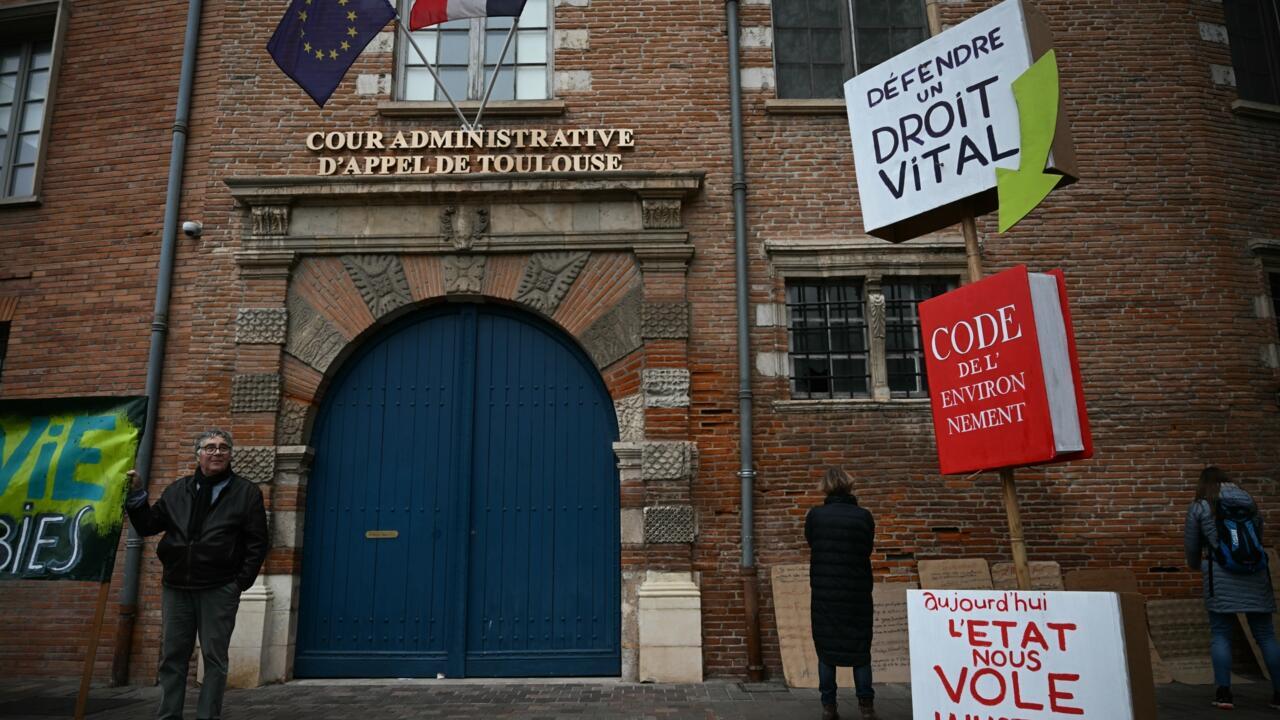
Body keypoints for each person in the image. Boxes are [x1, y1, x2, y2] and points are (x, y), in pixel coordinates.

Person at [126, 429, 269, 720]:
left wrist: (240, 583)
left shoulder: (246, 493)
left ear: (230, 455)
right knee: (172, 656)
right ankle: (169, 715)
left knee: (214, 659)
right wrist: (137, 494)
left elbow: (258, 543)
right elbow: (148, 525)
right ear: (198, 455)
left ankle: (207, 715)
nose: (217, 452)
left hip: (219, 587)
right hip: (176, 585)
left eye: (223, 447)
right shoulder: (177, 490)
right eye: (210, 447)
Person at [1184, 465, 1280, 711]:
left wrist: (1196, 564)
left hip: (1220, 574)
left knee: (1221, 634)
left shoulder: (1201, 505)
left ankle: (1224, 694)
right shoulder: (1249, 502)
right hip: (1255, 573)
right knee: (1266, 636)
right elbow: (1258, 536)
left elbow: (1192, 543)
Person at [805, 467, 877, 720]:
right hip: (857, 593)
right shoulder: (864, 516)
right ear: (849, 485)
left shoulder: (816, 516)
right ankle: (866, 708)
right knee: (861, 652)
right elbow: (867, 548)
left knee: (826, 652)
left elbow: (812, 543)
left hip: (825, 594)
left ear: (825, 487)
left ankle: (829, 707)